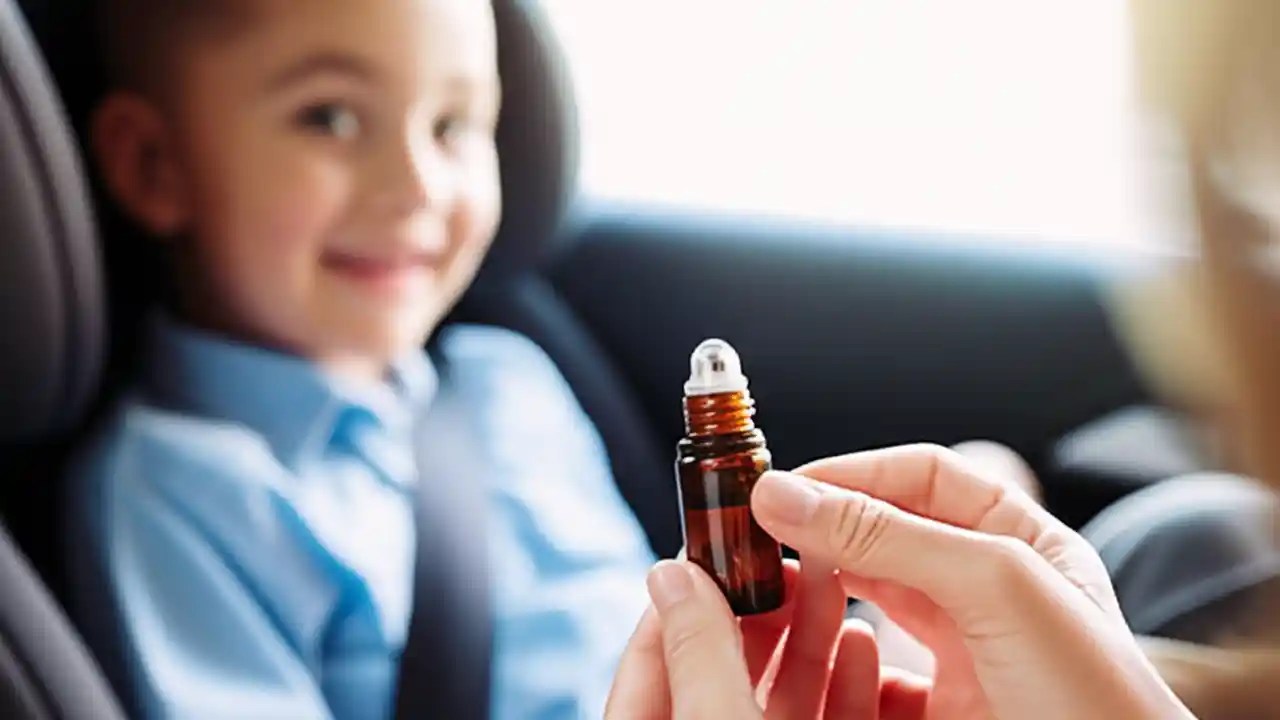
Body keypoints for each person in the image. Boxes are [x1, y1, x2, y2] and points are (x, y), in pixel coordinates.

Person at [65, 0, 655, 717]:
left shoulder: (509, 383)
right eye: (332, 119)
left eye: (451, 126)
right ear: (154, 166)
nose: (418, 186)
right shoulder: (182, 492)